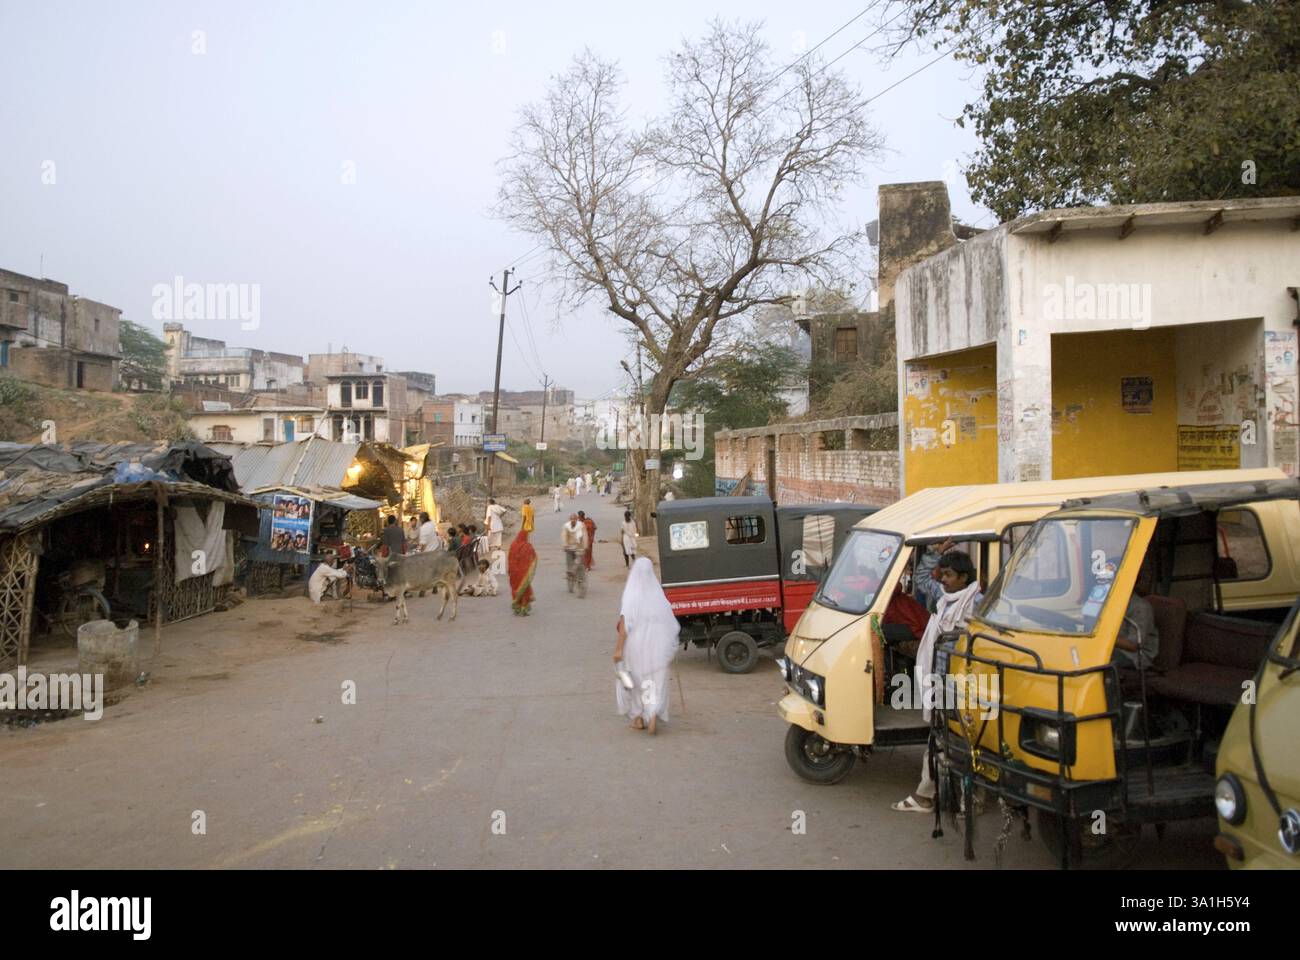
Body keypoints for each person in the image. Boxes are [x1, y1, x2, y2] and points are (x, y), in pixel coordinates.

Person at [893, 550, 982, 813]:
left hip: (965, 687)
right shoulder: (944, 600)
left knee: (968, 741)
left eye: (949, 575)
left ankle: (970, 799)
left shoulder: (977, 602)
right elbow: (922, 577)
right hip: (940, 683)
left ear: (964, 577)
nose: (944, 580)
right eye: (942, 574)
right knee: (939, 738)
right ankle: (927, 795)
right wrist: (934, 552)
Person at [613, 557, 680, 734]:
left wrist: (619, 649)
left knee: (638, 680)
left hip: (636, 645)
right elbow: (670, 623)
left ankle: (639, 717)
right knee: (654, 679)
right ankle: (652, 713)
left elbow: (624, 626)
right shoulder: (658, 596)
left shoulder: (631, 595)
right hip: (657, 644)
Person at [508, 528, 537, 616]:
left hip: (513, 572)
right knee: (524, 589)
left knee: (515, 588)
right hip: (523, 572)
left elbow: (509, 558)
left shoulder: (512, 545)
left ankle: (517, 606)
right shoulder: (528, 546)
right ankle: (523, 608)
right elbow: (533, 557)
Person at [562, 513, 588, 597]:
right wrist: (565, 545)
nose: (573, 520)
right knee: (570, 567)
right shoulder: (566, 526)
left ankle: (581, 589)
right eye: (571, 519)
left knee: (580, 568)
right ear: (570, 519)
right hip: (569, 548)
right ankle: (570, 583)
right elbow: (564, 536)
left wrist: (585, 546)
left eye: (574, 519)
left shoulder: (581, 526)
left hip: (579, 548)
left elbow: (584, 536)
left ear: (577, 519)